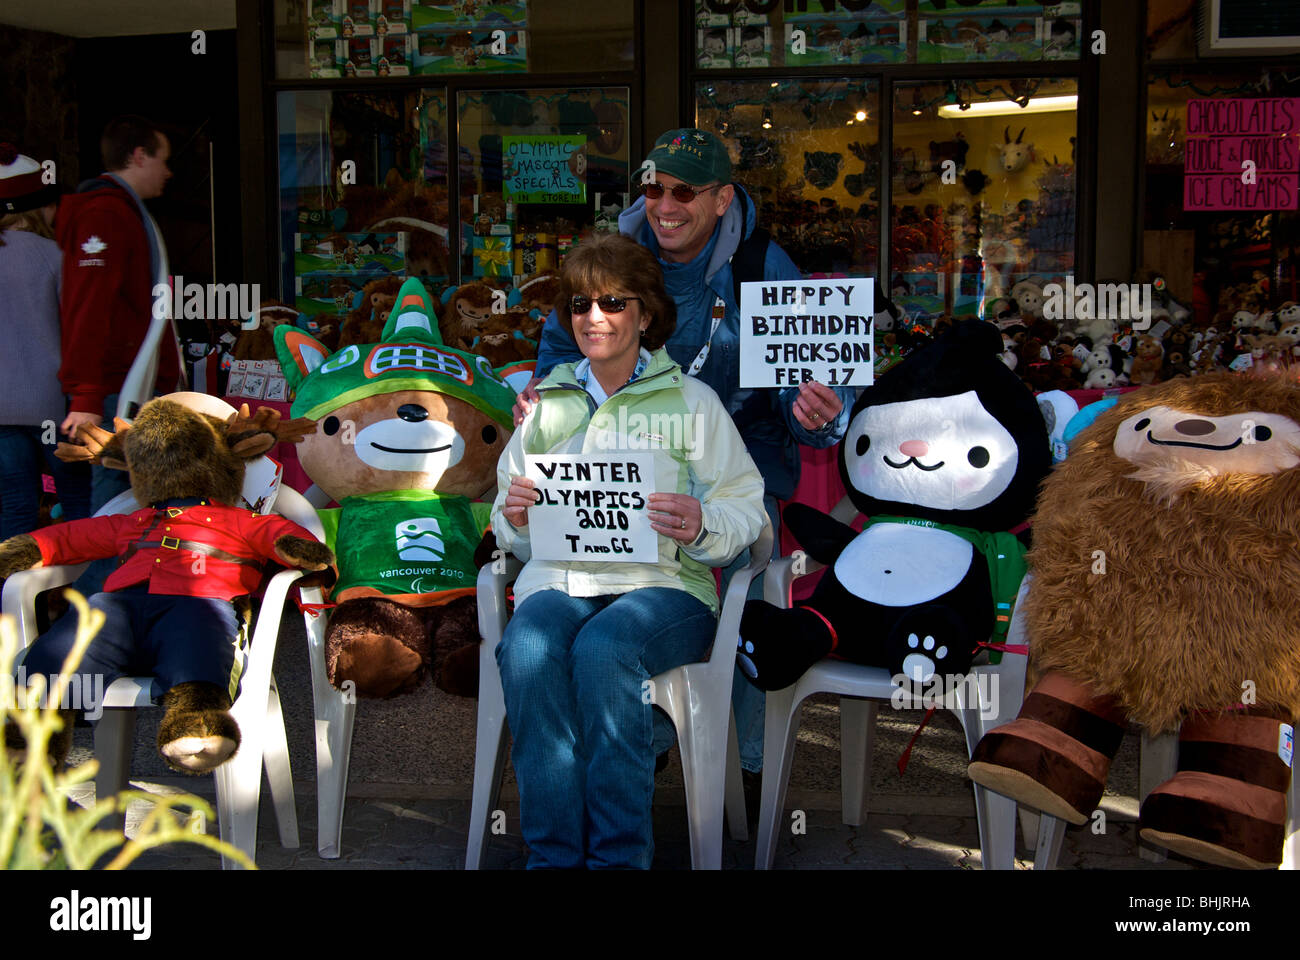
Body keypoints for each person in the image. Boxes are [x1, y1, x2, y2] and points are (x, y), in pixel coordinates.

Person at [516, 128, 855, 778]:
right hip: (630, 467)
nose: (664, 206)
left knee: (747, 605)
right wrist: (548, 399)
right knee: (608, 607)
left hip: (737, 464)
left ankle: (744, 773)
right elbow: (561, 353)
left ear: (723, 198)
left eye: (683, 192)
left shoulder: (763, 267)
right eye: (653, 189)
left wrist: (816, 417)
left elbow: (800, 386)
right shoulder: (608, 258)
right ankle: (640, 738)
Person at [491, 233, 766, 868]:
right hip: (562, 584)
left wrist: (701, 521)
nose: (594, 318)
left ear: (645, 313)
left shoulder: (692, 402)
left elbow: (745, 506)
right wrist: (514, 517)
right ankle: (553, 859)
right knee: (528, 646)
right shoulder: (545, 406)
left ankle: (619, 859)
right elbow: (510, 526)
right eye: (580, 304)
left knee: (607, 647)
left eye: (613, 303)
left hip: (666, 590)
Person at [57, 115, 182, 512]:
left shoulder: (122, 212)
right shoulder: (106, 215)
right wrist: (87, 394)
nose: (169, 171)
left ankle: (116, 573)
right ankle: (103, 576)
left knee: (130, 497)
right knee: (115, 499)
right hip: (118, 388)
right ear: (139, 156)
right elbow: (90, 306)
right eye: (163, 159)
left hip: (127, 384)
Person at [0, 144, 91, 539]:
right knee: (77, 505)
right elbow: (78, 330)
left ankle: (10, 598)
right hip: (54, 406)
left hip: (1, 412)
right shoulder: (56, 255)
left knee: (15, 508)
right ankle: (80, 598)